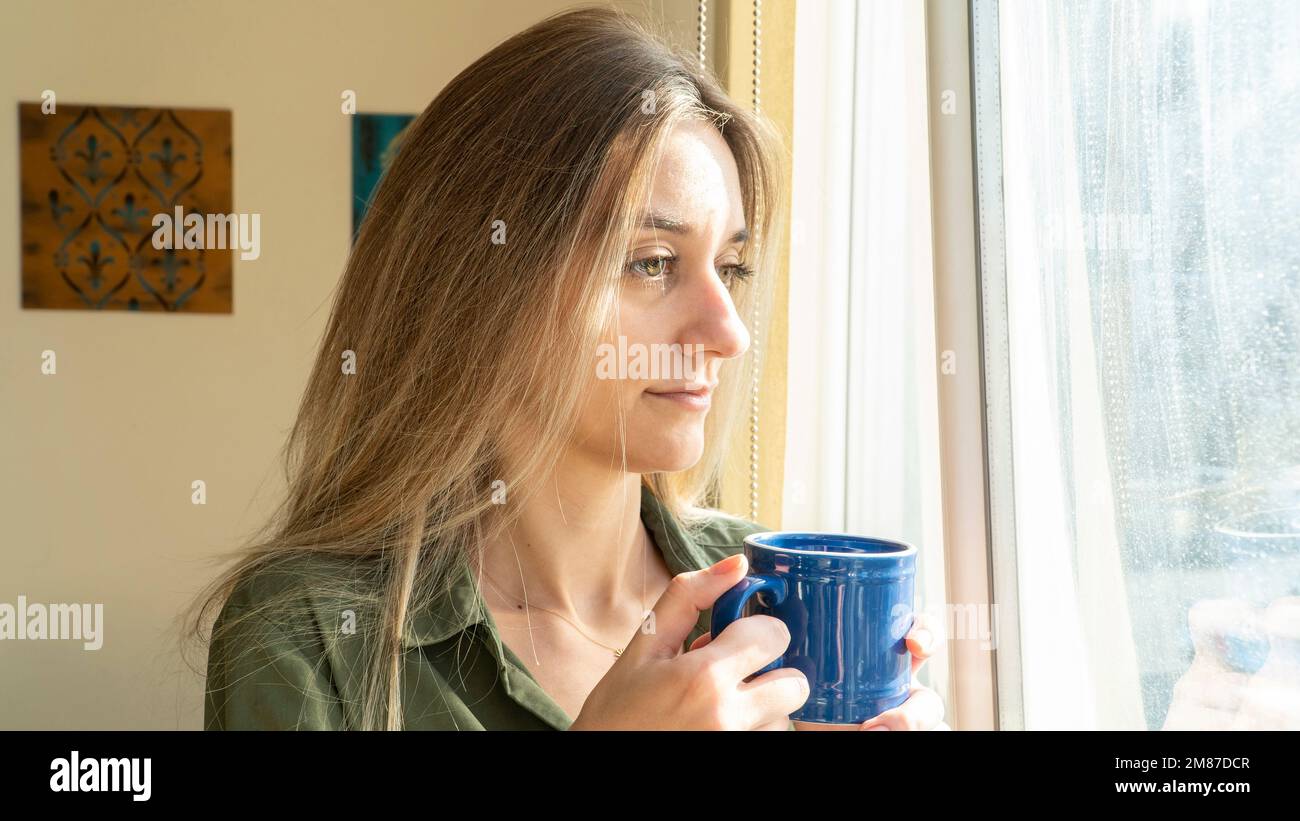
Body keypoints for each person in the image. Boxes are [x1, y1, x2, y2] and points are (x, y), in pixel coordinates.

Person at [186, 4, 946, 731]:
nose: (728, 333)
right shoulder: (308, 635)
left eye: (731, 267)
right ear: (483, 286)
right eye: (652, 262)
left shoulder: (768, 601)